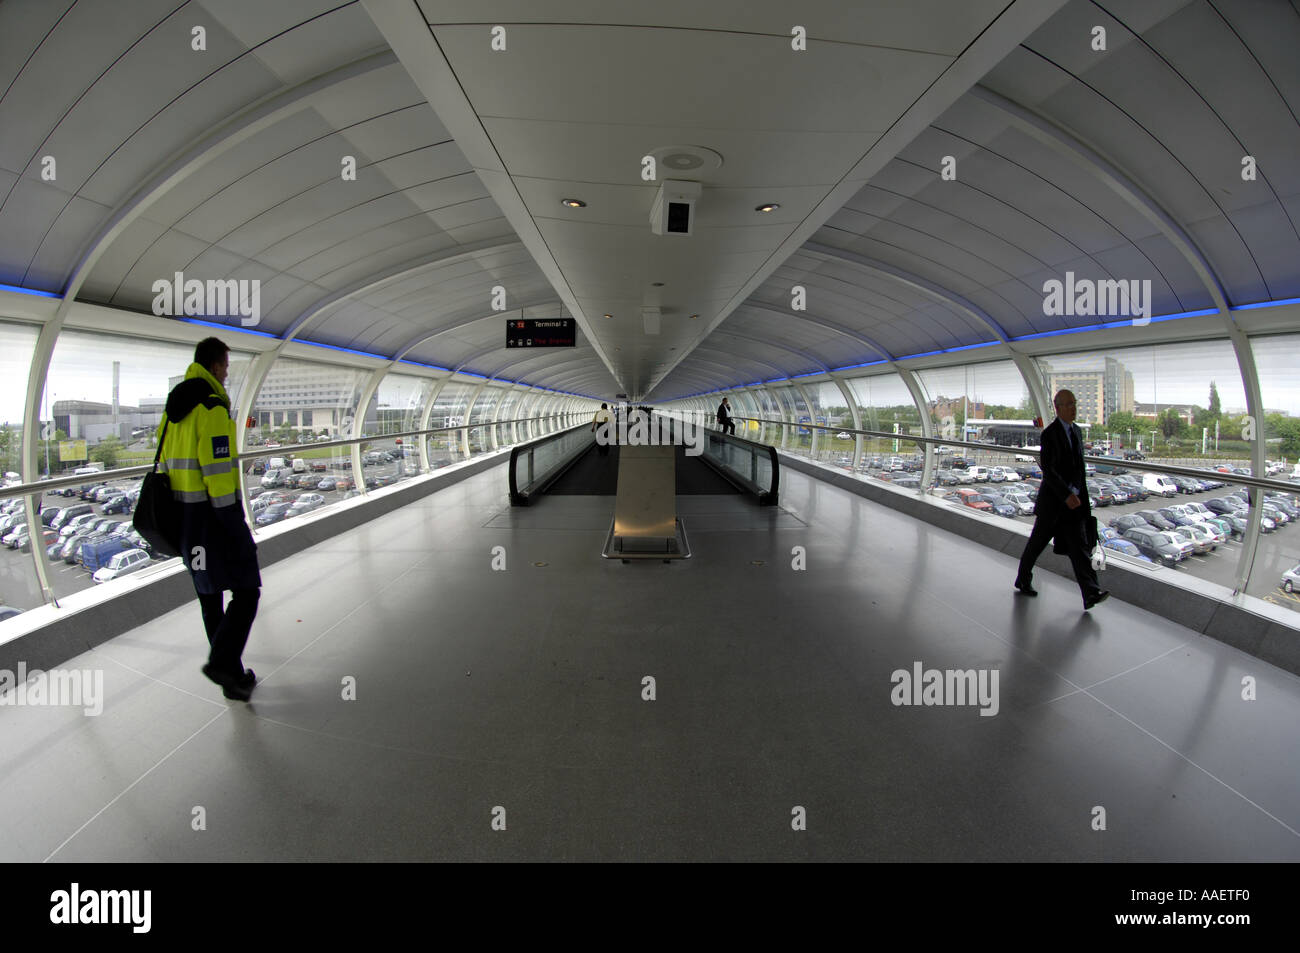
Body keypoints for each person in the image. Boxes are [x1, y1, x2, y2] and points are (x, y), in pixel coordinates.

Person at [159, 337, 262, 700]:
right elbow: (218, 473)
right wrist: (235, 526)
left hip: (185, 520)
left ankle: (232, 678)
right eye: (227, 367)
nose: (228, 373)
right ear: (217, 366)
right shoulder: (212, 406)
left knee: (209, 596)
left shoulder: (173, 409)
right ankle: (220, 664)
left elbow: (165, 465)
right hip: (214, 518)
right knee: (248, 590)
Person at [1014, 389, 1108, 610]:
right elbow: (1050, 469)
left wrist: (1079, 497)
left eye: (1074, 403)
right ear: (1058, 408)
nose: (1073, 408)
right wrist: (1066, 495)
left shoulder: (1076, 431)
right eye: (1069, 404)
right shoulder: (1050, 434)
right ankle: (1023, 579)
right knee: (1036, 545)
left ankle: (1091, 593)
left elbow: (1079, 467)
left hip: (1073, 506)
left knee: (1079, 549)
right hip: (1053, 505)